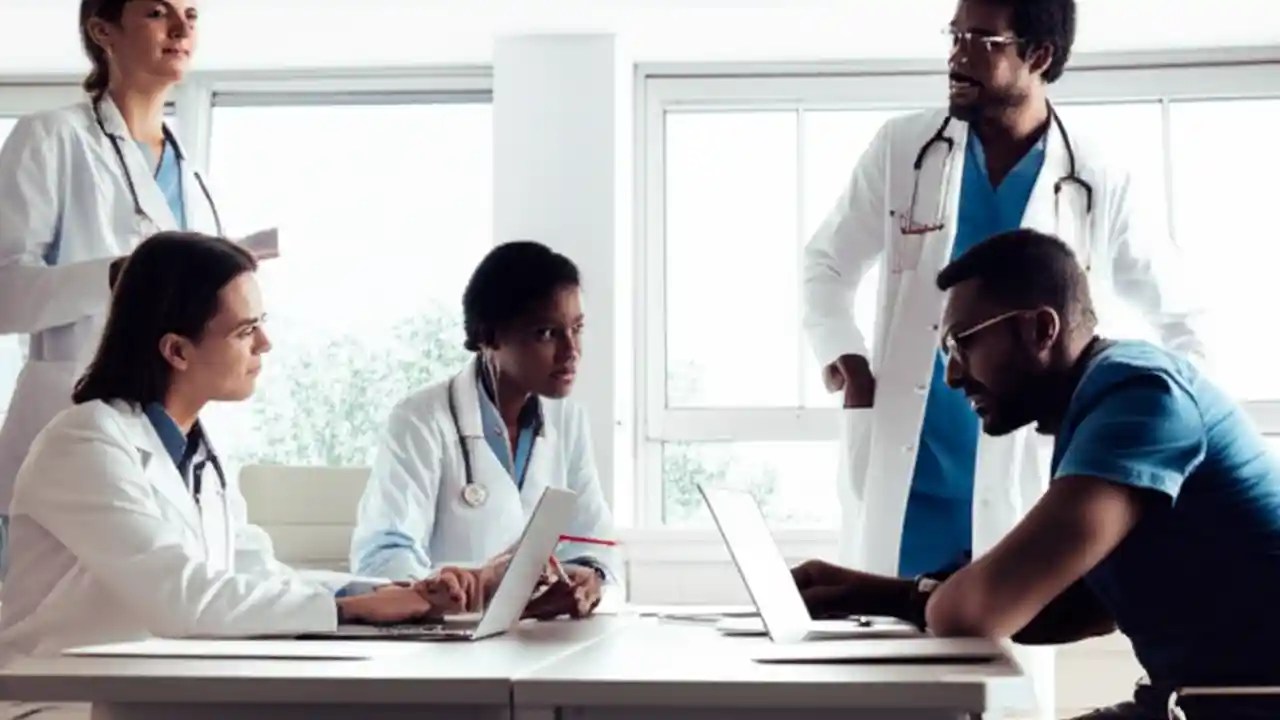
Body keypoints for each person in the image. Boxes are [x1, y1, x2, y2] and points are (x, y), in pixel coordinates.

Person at [796, 229, 1280, 719]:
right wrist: (863, 592)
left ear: (1040, 330)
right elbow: (1071, 608)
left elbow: (979, 611)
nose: (952, 375)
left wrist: (923, 597)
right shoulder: (1103, 404)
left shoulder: (1141, 397)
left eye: (961, 344)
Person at [0, 232, 487, 666]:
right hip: (63, 699)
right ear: (177, 351)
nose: (266, 344)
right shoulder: (85, 443)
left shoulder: (196, 452)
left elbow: (254, 572)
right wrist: (346, 610)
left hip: (160, 687)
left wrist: (387, 592)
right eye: (245, 331)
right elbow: (183, 597)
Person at [0, 0, 259, 573]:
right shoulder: (52, 139)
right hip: (66, 422)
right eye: (155, 12)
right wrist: (124, 275)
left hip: (160, 430)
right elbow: (5, 295)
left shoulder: (190, 172)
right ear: (102, 31)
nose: (180, 27)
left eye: (191, 13)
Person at [350, 241, 619, 620]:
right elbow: (382, 557)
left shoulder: (568, 421)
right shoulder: (421, 419)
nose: (571, 350)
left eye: (577, 328)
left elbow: (593, 541)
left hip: (541, 640)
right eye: (546, 333)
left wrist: (586, 579)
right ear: (488, 336)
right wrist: (447, 591)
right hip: (444, 645)